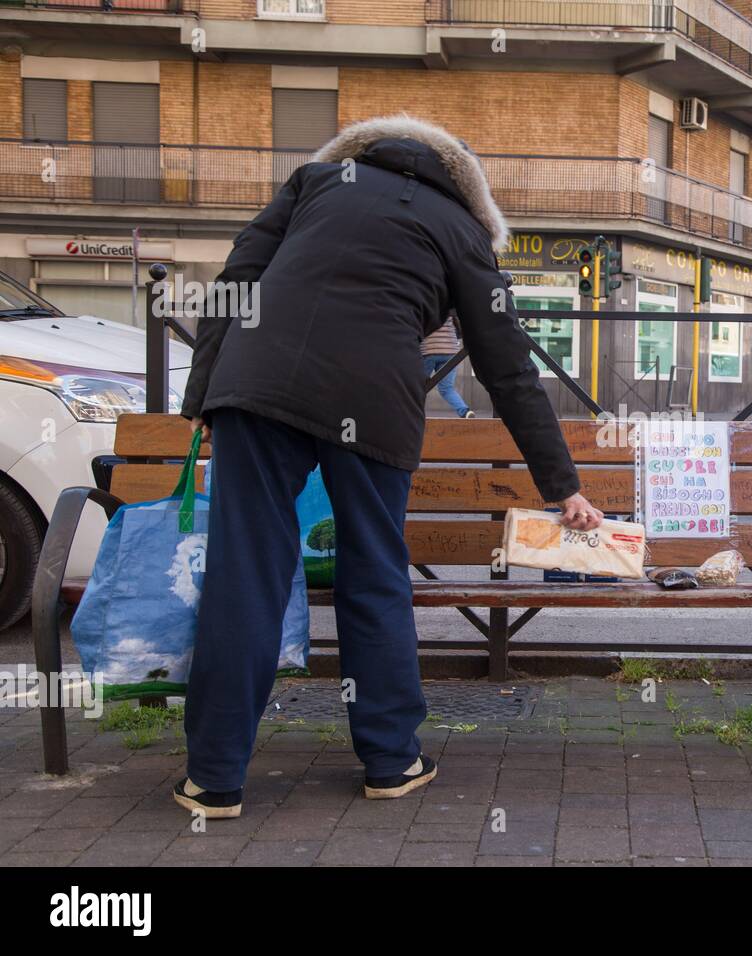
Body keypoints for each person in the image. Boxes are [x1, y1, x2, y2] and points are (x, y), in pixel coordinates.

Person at [177, 115, 604, 819]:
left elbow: (236, 279)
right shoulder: (463, 230)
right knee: (373, 571)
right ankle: (390, 759)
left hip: (255, 386)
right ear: (464, 184)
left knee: (242, 572)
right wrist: (563, 487)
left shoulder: (314, 182)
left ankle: (215, 778)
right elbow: (508, 367)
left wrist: (201, 398)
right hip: (372, 400)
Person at [422, 312, 474, 418]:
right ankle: (465, 411)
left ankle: (413, 414)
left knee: (418, 387)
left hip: (429, 351)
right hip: (450, 352)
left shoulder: (424, 304)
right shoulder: (449, 306)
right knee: (447, 388)